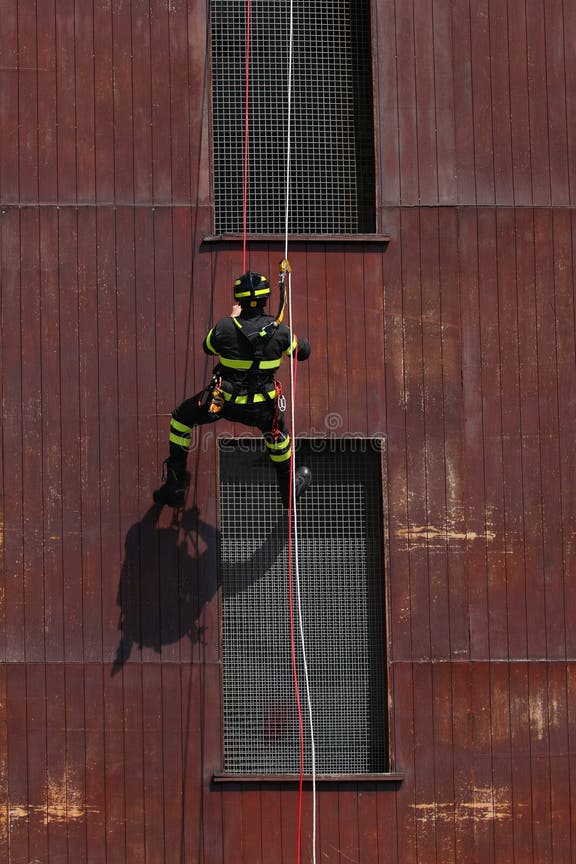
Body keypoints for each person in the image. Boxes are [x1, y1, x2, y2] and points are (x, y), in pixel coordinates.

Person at [153, 270, 312, 509]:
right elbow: (304, 352)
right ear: (266, 298)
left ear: (238, 299)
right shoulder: (279, 330)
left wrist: (231, 317)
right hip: (263, 408)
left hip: (224, 403)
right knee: (278, 438)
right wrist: (284, 334)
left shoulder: (226, 327)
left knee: (181, 418)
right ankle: (288, 490)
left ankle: (175, 485)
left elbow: (208, 346)